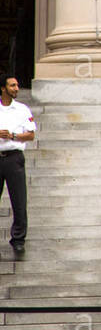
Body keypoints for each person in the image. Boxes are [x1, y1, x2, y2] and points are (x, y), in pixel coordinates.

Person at [0, 74, 35, 257]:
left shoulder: (22, 109)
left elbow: (30, 135)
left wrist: (13, 136)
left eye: (17, 85)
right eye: (12, 85)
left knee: (19, 201)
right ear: (3, 88)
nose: (16, 88)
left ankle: (19, 240)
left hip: (14, 158)